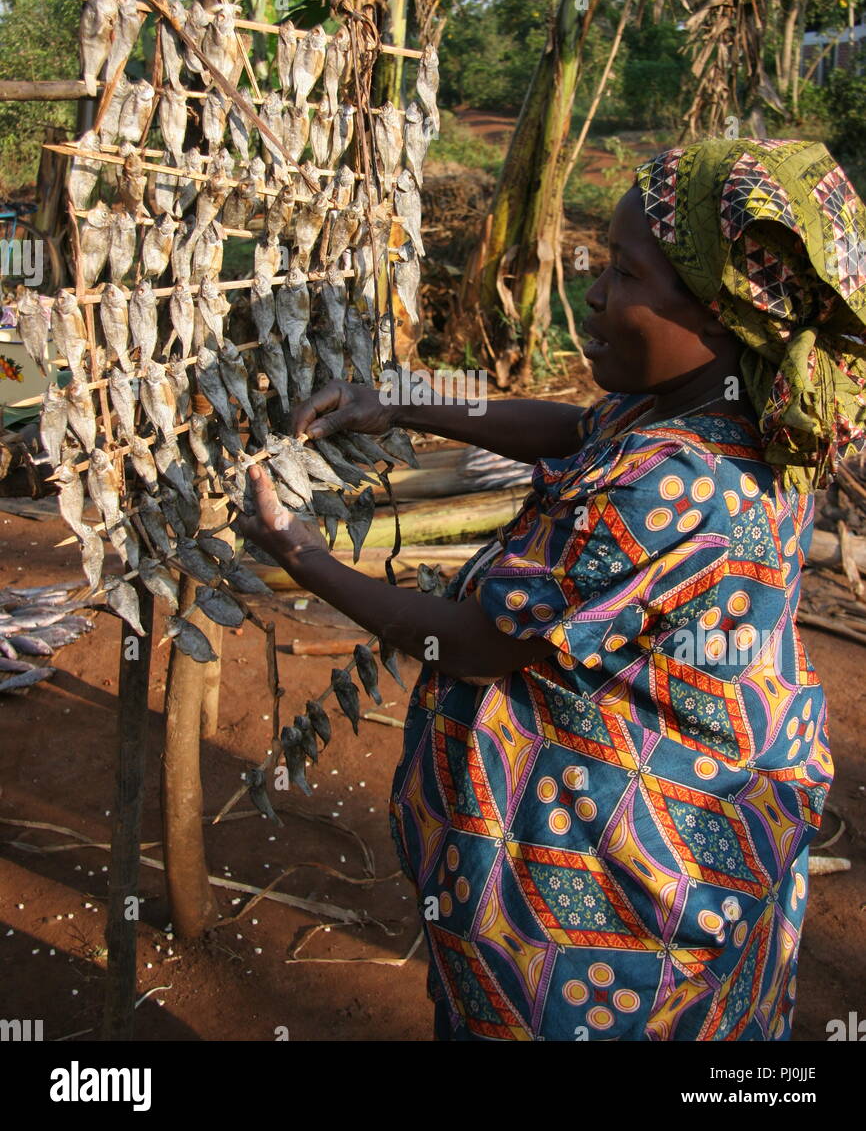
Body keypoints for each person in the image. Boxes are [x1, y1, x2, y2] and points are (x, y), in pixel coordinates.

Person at [239, 138, 866, 1041]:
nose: (597, 293)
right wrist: (400, 404)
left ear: (724, 310)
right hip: (706, 810)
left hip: (603, 886)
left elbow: (476, 642)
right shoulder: (725, 404)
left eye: (624, 273)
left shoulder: (677, 482)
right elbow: (575, 428)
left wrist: (299, 553)